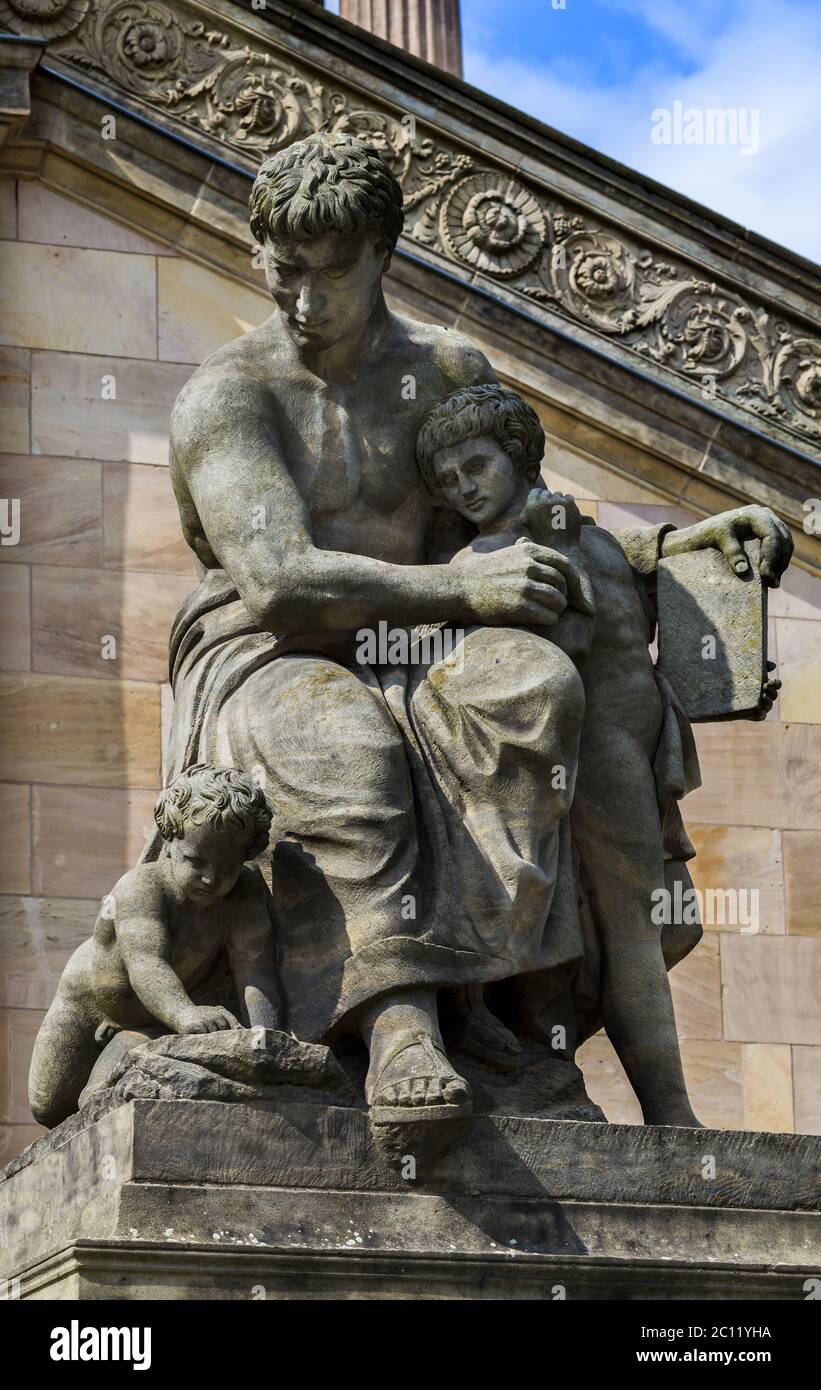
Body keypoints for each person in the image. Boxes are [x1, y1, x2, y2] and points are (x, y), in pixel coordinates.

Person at [161, 131, 793, 1133]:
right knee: (345, 742)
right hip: (266, 653)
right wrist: (464, 595)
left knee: (533, 689)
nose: (302, 301)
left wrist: (663, 550)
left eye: (330, 275)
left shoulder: (447, 368)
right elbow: (280, 584)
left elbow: (522, 526)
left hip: (422, 641)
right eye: (283, 272)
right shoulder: (230, 397)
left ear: (383, 254)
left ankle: (512, 1025)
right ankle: (402, 1022)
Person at [29, 766, 281, 1128]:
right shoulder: (141, 889)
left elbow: (256, 972)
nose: (210, 878)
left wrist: (265, 1039)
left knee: (100, 1099)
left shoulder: (245, 895)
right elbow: (147, 965)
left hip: (154, 1020)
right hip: (88, 1005)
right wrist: (185, 1014)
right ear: (169, 840)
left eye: (226, 867)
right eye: (196, 861)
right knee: (47, 1107)